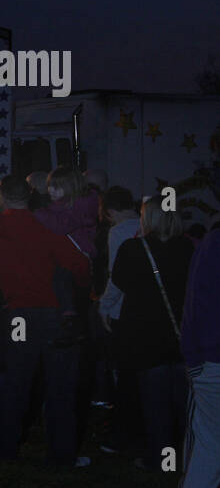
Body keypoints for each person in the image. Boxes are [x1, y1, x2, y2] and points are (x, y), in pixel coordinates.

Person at [0, 174, 91, 468]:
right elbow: (78, 263)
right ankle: (61, 454)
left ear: (1, 194)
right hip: (55, 313)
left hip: (19, 313)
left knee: (17, 381)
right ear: (30, 195)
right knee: (60, 386)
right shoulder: (44, 226)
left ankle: (4, 445)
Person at [110, 195, 194, 474]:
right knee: (185, 405)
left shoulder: (134, 249)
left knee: (156, 406)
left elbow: (119, 281)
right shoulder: (190, 248)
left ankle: (163, 460)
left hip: (146, 337)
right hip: (184, 334)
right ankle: (191, 459)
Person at [150, 228, 220, 488]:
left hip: (212, 356)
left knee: (208, 435)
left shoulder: (213, 243)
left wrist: (194, 353)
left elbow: (199, 303)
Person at [95, 186, 140, 453]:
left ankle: (122, 430)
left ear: (110, 211)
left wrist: (105, 305)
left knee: (123, 372)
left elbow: (117, 276)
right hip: (150, 310)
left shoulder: (119, 232)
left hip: (124, 310)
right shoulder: (150, 224)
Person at [34, 165, 100, 344]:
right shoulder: (61, 206)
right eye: (50, 186)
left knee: (63, 280)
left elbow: (61, 226)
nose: (51, 191)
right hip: (70, 258)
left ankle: (70, 317)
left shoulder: (82, 205)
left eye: (57, 186)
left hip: (79, 255)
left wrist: (39, 213)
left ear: (71, 186)